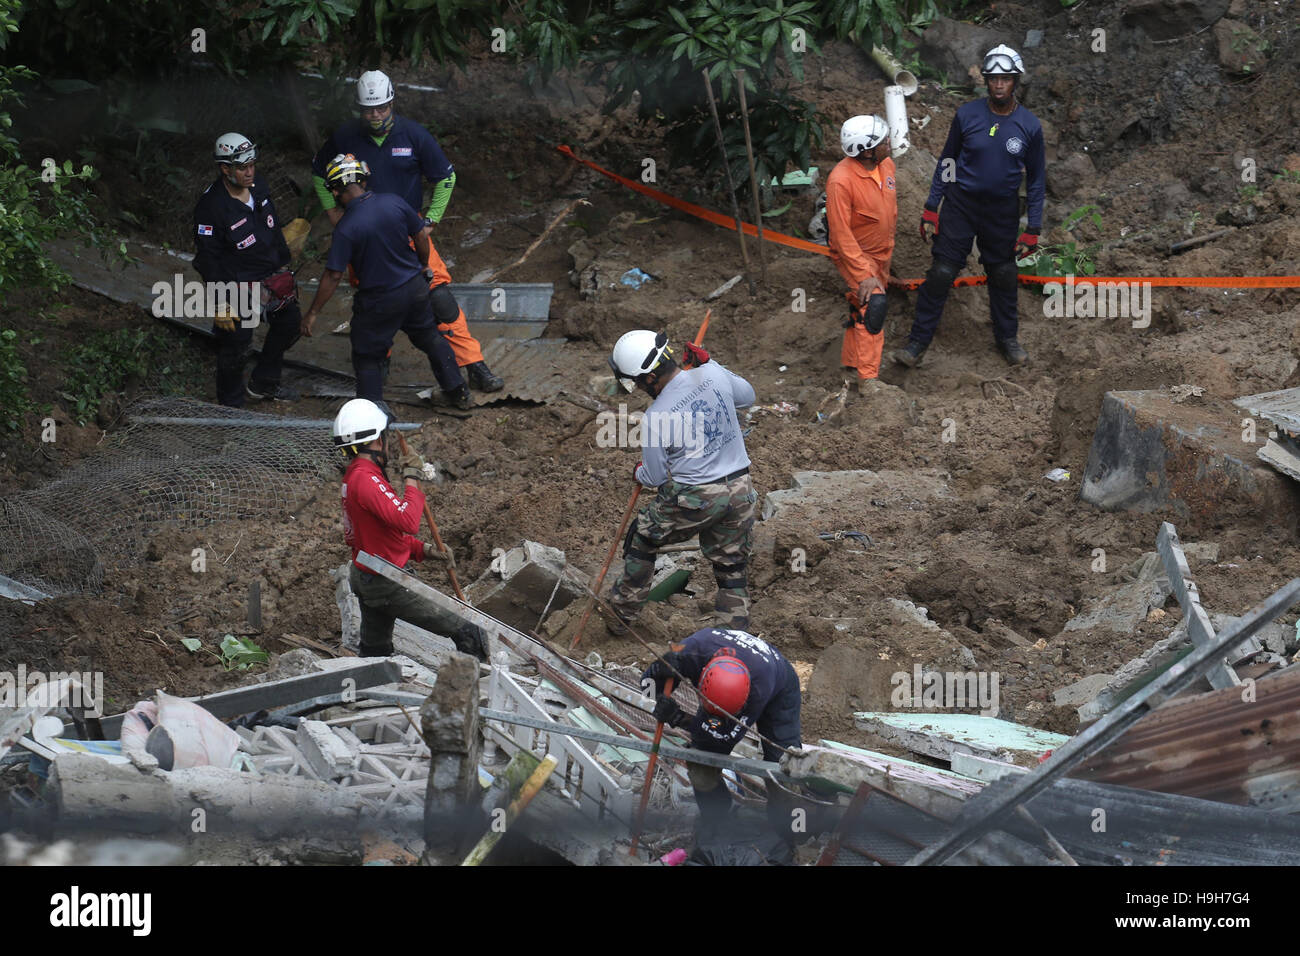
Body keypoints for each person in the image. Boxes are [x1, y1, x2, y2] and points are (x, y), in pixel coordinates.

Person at [312, 71, 504, 392]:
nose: (375, 115)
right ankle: (379, 361)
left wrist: (431, 222)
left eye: (382, 108)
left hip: (408, 227)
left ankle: (473, 364)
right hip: (362, 232)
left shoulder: (414, 135)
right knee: (374, 298)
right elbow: (319, 173)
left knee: (438, 296)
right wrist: (333, 212)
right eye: (369, 109)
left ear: (392, 102)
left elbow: (445, 178)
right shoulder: (345, 137)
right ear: (359, 108)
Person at [892, 44, 1046, 368]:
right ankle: (917, 344)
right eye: (993, 79)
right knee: (942, 272)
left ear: (1015, 81)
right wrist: (932, 205)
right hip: (961, 204)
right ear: (985, 81)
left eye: (1005, 79)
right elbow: (947, 160)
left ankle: (1008, 340)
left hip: (1002, 210)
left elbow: (1035, 179)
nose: (999, 85)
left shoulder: (1029, 126)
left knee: (1002, 273)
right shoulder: (967, 115)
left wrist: (1033, 227)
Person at [603, 331, 758, 634]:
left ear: (648, 378)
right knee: (730, 566)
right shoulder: (708, 371)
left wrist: (638, 472)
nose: (636, 388)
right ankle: (733, 638)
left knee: (643, 537)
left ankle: (622, 616)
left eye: (635, 382)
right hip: (741, 488)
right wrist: (713, 364)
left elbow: (656, 477)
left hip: (697, 497)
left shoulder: (657, 415)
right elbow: (747, 397)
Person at [299, 153, 472, 410]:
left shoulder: (346, 228)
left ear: (335, 191)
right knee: (430, 338)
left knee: (368, 355)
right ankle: (457, 392)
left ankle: (371, 415)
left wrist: (312, 313)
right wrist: (423, 265)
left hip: (379, 300)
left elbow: (333, 275)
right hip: (415, 289)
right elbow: (421, 236)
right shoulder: (394, 202)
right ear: (363, 181)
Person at [332, 398, 486, 659]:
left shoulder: (358, 475)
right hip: (386, 581)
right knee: (467, 629)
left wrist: (424, 550)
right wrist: (411, 477)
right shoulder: (366, 479)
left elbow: (380, 537)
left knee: (376, 651)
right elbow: (409, 522)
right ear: (379, 440)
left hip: (369, 574)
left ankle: (371, 687)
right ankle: (475, 691)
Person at [642, 627, 802, 836]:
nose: (717, 720)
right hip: (736, 667)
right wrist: (659, 672)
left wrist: (678, 718)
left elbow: (721, 737)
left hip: (780, 683)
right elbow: (646, 688)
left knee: (786, 766)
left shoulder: (758, 690)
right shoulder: (691, 651)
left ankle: (795, 831)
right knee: (702, 764)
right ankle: (716, 820)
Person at [193, 132, 301, 406]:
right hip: (235, 286)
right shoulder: (211, 207)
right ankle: (231, 409)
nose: (250, 172)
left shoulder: (258, 186)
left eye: (252, 165)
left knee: (289, 323)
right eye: (242, 168)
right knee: (236, 347)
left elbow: (273, 227)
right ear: (225, 168)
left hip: (270, 275)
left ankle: (263, 382)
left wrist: (283, 265)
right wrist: (219, 303)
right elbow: (208, 259)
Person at [825, 114, 897, 392]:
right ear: (867, 150)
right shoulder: (840, 182)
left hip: (882, 255)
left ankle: (851, 364)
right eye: (883, 141)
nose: (889, 143)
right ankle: (868, 380)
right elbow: (842, 236)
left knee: (859, 306)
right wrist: (864, 274)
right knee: (873, 305)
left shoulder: (887, 165)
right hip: (855, 256)